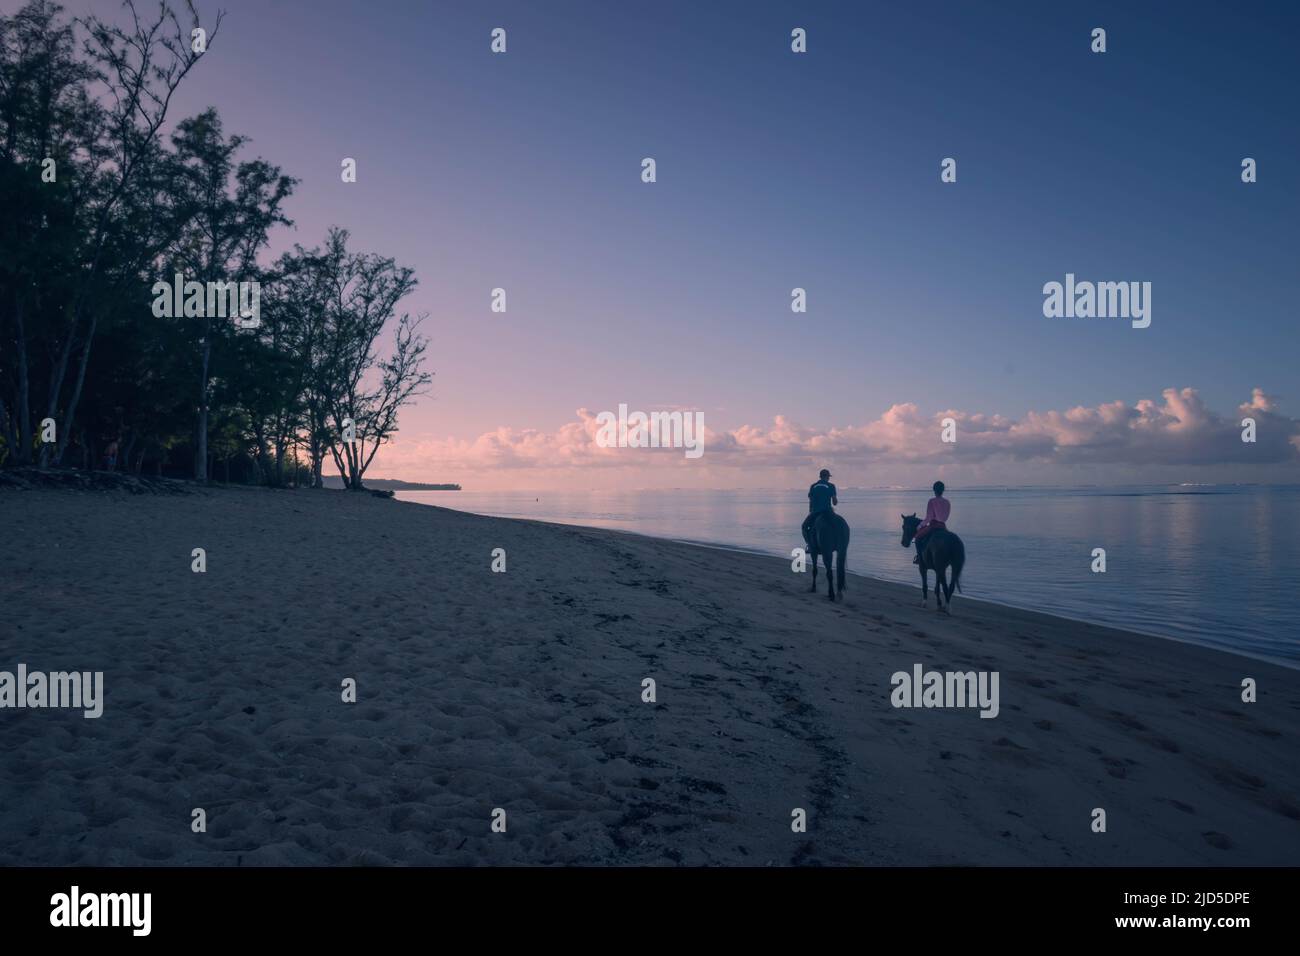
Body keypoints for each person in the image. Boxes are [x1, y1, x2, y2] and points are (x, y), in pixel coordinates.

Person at [913, 480, 950, 564]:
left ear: (934, 490)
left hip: (934, 526)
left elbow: (929, 518)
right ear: (943, 490)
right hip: (943, 526)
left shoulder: (932, 501)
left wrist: (920, 525)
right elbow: (946, 516)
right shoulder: (947, 502)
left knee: (918, 538)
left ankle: (919, 558)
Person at [802, 469, 838, 541]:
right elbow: (834, 502)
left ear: (820, 476)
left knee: (804, 527)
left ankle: (809, 544)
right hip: (828, 512)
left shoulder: (813, 486)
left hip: (815, 512)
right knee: (837, 526)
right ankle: (838, 543)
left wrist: (811, 511)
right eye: (828, 477)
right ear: (827, 477)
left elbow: (811, 501)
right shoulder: (831, 485)